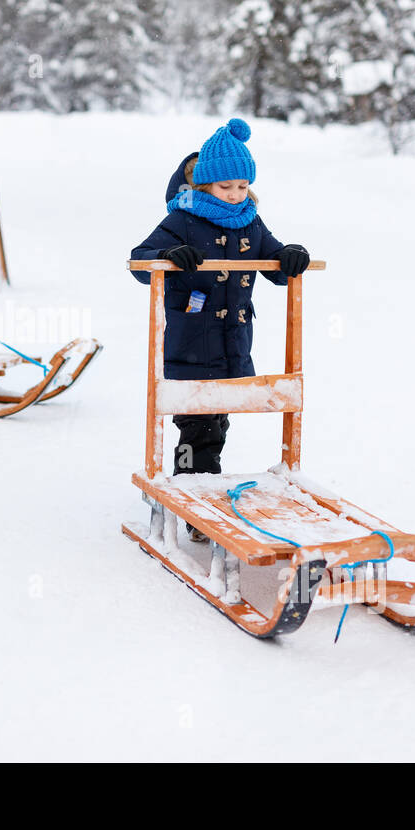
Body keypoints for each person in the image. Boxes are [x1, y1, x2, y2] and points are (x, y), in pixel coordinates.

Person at [130, 118, 310, 541]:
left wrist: (289, 257)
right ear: (207, 185)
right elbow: (141, 260)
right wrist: (170, 254)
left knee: (217, 423)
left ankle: (201, 492)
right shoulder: (184, 218)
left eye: (242, 187)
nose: (235, 195)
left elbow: (274, 263)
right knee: (196, 425)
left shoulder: (250, 221)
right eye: (226, 187)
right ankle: (193, 500)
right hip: (191, 342)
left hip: (233, 343)